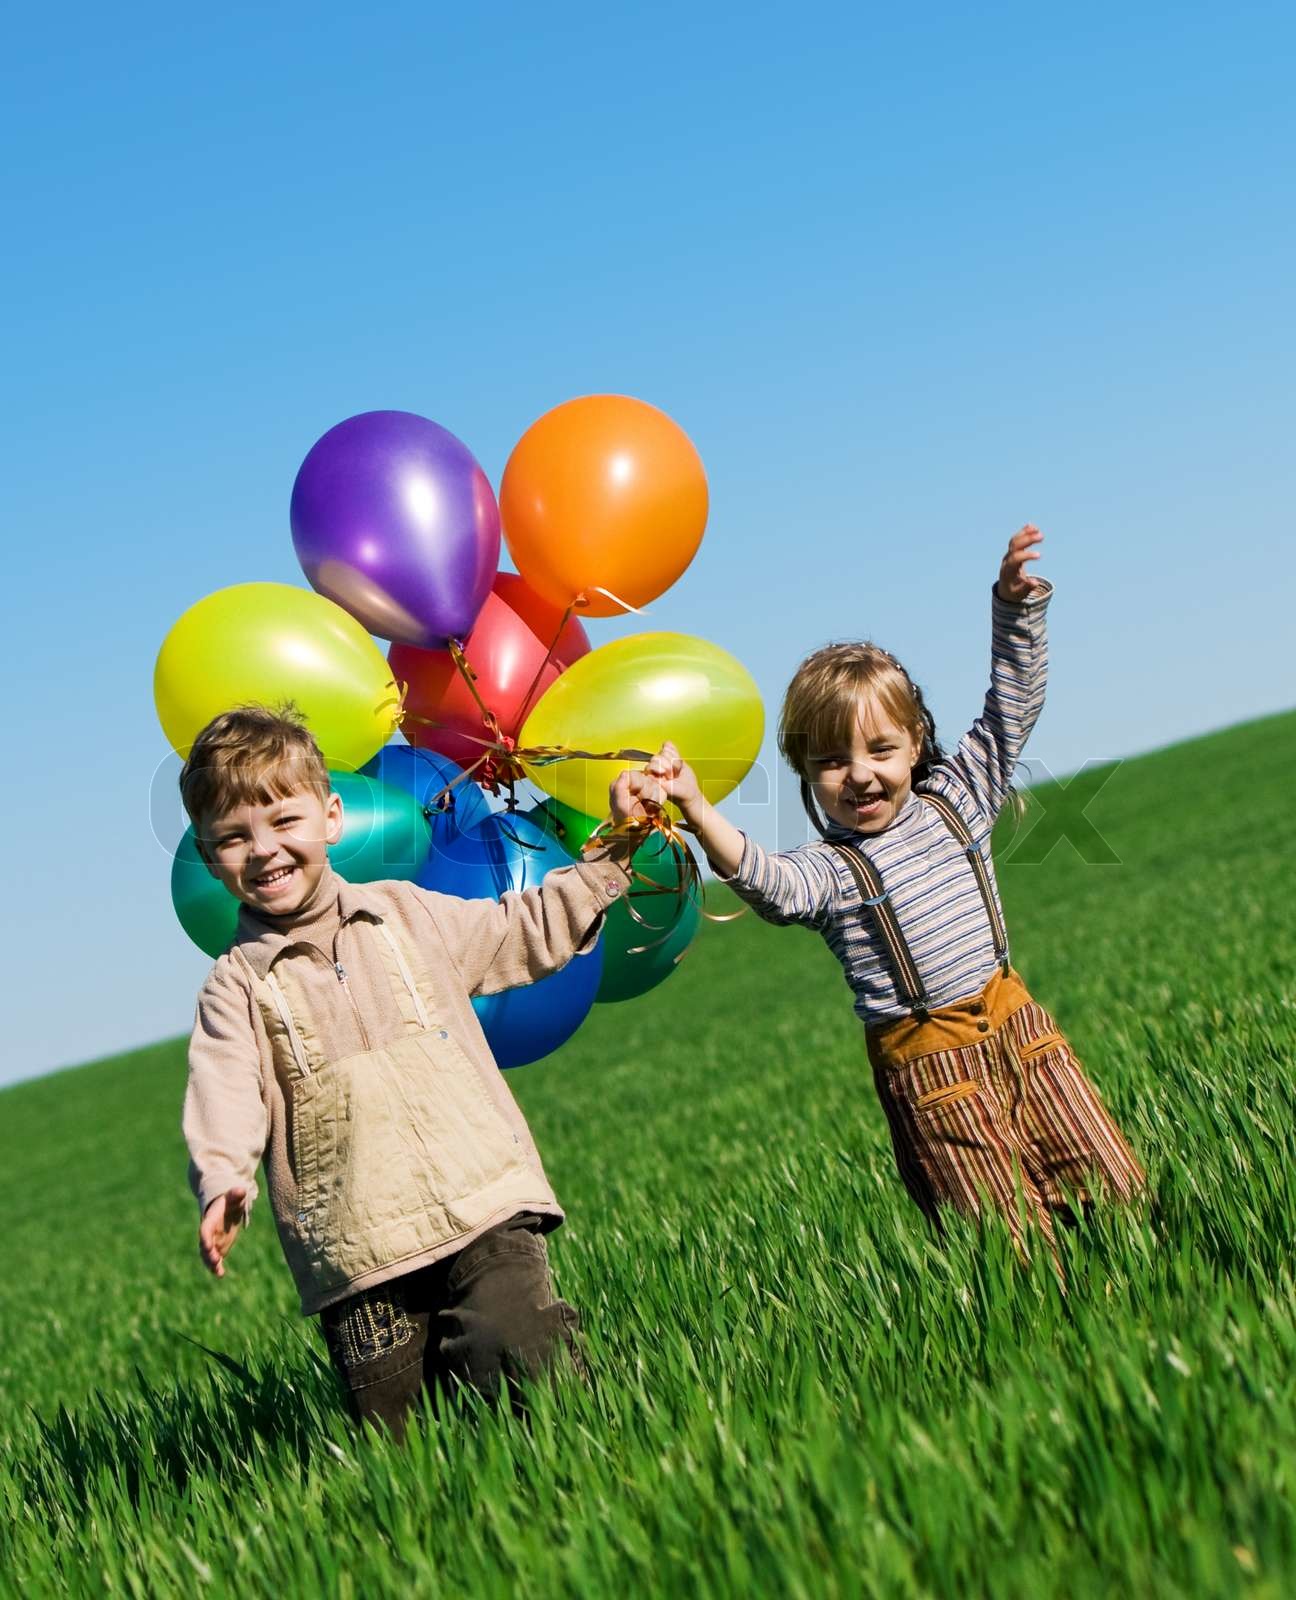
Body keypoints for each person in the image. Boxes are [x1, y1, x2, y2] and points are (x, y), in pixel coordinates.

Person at [629, 526, 1145, 1275]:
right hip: (933, 1073)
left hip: (1020, 1029)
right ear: (806, 773)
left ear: (915, 742)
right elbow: (770, 885)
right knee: (1013, 1254)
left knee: (1115, 1195)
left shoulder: (959, 797)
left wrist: (1014, 609)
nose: (860, 775)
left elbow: (1014, 704)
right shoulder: (832, 871)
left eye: (879, 750)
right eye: (832, 760)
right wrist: (697, 810)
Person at [180, 703, 639, 1444]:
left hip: (480, 1196)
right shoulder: (236, 986)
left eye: (282, 822)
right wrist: (224, 1175)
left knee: (524, 1355)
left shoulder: (406, 915)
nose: (263, 850)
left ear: (331, 816)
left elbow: (517, 931)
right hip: (356, 1248)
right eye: (234, 837)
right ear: (210, 858)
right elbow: (225, 1087)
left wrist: (610, 860)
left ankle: (596, 1476)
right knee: (407, 1442)